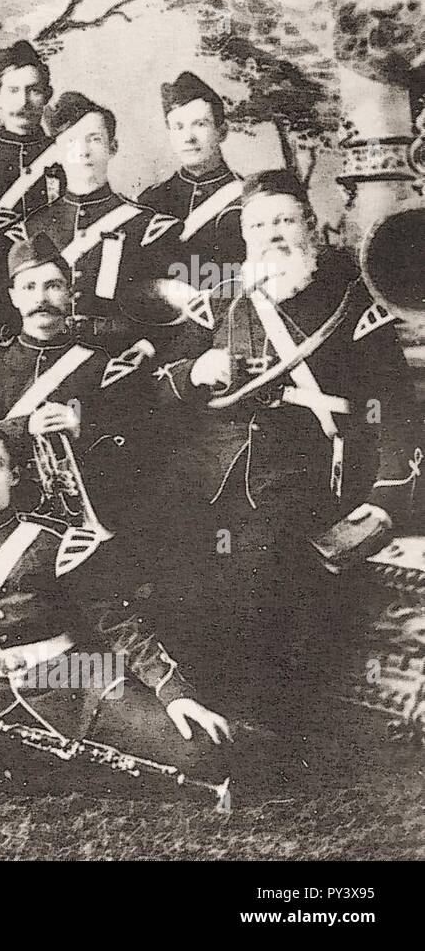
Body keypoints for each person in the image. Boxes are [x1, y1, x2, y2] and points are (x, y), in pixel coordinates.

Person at [151, 169, 419, 731]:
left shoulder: (352, 300)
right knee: (170, 554)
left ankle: (270, 728)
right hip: (218, 472)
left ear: (312, 230)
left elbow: (393, 407)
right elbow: (159, 384)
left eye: (285, 220)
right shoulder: (219, 301)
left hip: (315, 472)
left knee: (266, 564)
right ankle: (194, 712)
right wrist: (194, 369)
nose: (273, 235)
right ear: (244, 238)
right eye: (259, 224)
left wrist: (387, 499)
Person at [0, 408, 231, 793]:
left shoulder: (54, 540)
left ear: (14, 475)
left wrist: (173, 693)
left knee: (200, 754)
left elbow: (116, 624)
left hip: (76, 678)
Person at [0, 232, 160, 543]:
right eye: (29, 287)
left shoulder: (101, 366)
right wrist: (25, 426)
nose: (41, 298)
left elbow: (135, 439)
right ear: (13, 296)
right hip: (7, 527)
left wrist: (84, 428)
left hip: (86, 522)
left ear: (69, 294)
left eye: (52, 286)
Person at [18, 92, 184, 350]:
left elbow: (165, 313)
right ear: (57, 152)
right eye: (71, 141)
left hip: (118, 360)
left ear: (112, 147)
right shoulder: (31, 228)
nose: (83, 151)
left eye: (94, 139)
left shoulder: (147, 227)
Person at [0, 40, 59, 337]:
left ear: (47, 96)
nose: (23, 102)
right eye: (13, 91)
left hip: (51, 304)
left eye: (33, 90)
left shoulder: (64, 157)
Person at [138, 71, 246, 291]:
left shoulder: (250, 198)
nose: (188, 137)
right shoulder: (151, 200)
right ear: (170, 133)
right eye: (178, 127)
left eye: (200, 124)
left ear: (222, 131)